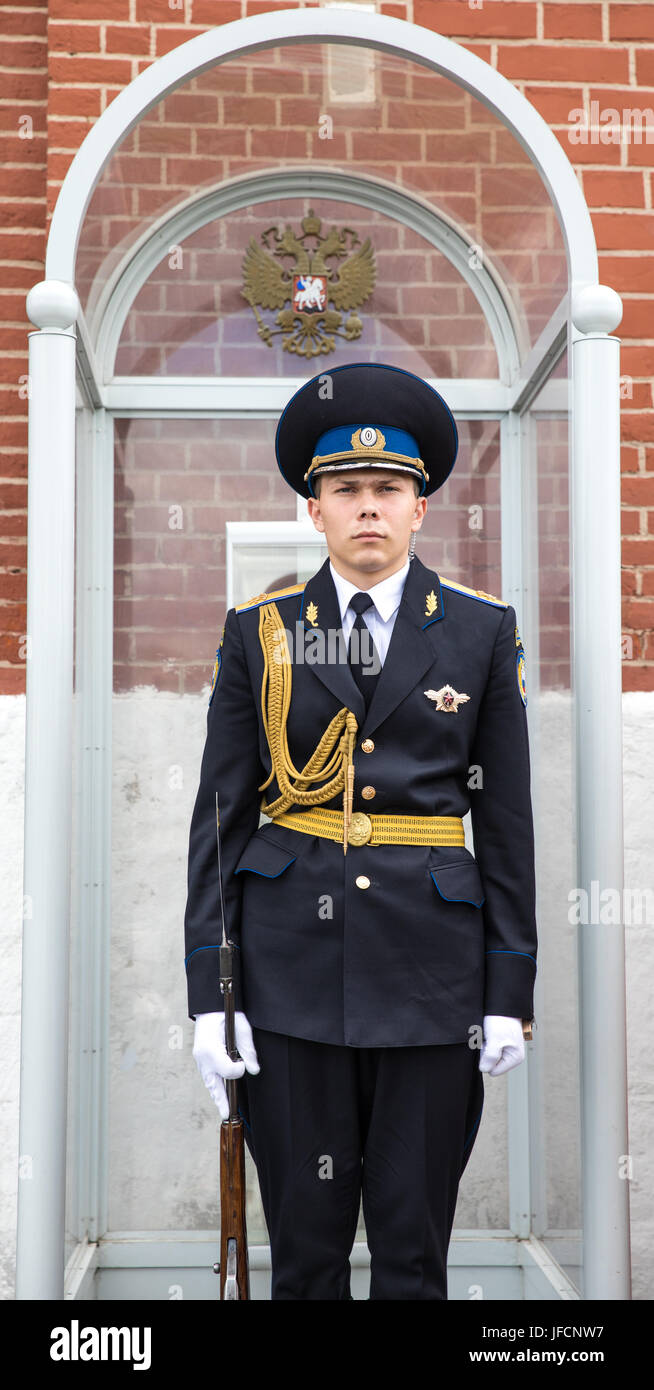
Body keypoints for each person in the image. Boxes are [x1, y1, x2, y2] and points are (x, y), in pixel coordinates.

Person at [184, 361, 537, 1300]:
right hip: (289, 977)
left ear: (421, 509)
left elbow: (505, 825)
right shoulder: (258, 632)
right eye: (347, 491)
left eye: (389, 489)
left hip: (433, 978)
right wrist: (205, 999)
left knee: (414, 1253)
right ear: (316, 511)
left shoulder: (477, 631)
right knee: (303, 1253)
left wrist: (510, 987)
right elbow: (221, 818)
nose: (368, 508)